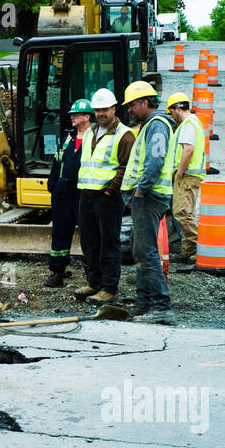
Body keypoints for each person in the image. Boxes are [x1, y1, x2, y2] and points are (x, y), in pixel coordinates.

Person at [121, 81, 175, 324]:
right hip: (148, 196)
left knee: (147, 252)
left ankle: (161, 306)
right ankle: (143, 303)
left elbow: (155, 161)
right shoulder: (150, 125)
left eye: (132, 104)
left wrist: (141, 191)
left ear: (145, 102)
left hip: (149, 197)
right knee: (140, 250)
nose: (129, 109)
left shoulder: (156, 125)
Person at [75, 87, 134, 305]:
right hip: (87, 195)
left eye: (105, 109)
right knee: (90, 242)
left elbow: (126, 167)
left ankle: (109, 287)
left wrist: (111, 190)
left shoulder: (124, 134)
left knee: (109, 243)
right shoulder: (90, 132)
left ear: (114, 108)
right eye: (97, 110)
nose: (101, 114)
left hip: (107, 197)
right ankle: (94, 282)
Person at [45, 99, 93, 287]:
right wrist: (53, 184)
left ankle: (92, 277)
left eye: (76, 114)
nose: (72, 117)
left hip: (84, 192)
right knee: (60, 233)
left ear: (87, 117)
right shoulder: (68, 138)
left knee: (88, 235)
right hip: (63, 192)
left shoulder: (95, 137)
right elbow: (58, 161)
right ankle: (57, 272)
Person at [166, 93, 205, 264]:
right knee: (184, 213)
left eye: (171, 112)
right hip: (189, 175)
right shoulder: (190, 123)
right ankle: (187, 251)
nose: (171, 116)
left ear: (177, 108)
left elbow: (188, 150)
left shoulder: (188, 124)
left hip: (187, 175)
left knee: (182, 213)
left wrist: (179, 173)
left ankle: (199, 250)